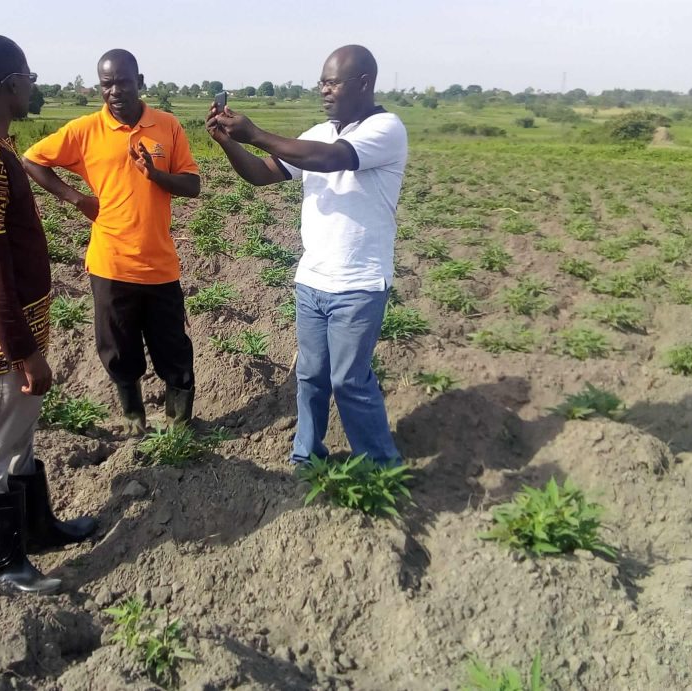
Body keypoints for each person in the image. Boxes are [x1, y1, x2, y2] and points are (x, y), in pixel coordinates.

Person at [0, 33, 96, 594]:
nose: (33, 84)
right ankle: (5, 562)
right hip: (0, 335)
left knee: (19, 430)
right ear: (9, 85)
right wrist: (24, 351)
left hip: (18, 326)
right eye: (28, 76)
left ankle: (39, 530)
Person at [206, 45, 406, 466]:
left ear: (364, 83)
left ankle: (380, 466)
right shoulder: (317, 132)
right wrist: (229, 143)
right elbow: (263, 175)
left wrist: (257, 132)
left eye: (333, 82)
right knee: (311, 377)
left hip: (359, 283)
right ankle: (306, 457)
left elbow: (335, 159)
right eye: (322, 82)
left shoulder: (386, 129)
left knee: (349, 381)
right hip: (313, 280)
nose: (324, 91)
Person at [23, 49, 200, 434]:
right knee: (118, 350)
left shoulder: (167, 126)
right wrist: (79, 200)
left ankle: (179, 427)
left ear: (140, 81)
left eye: (123, 81)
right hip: (110, 264)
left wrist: (157, 175)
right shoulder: (85, 131)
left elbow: (193, 184)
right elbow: (32, 160)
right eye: (107, 84)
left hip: (159, 264)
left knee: (173, 348)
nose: (115, 90)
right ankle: (135, 423)